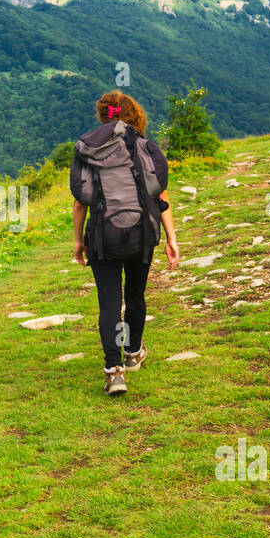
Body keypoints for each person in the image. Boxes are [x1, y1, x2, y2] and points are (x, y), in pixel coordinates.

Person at [69, 91, 180, 396]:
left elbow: (80, 202)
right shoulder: (142, 146)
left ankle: (114, 371)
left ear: (103, 116)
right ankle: (132, 352)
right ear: (131, 114)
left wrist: (79, 241)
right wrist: (171, 238)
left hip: (103, 238)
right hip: (142, 234)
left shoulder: (89, 148)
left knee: (108, 302)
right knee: (135, 296)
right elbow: (161, 196)